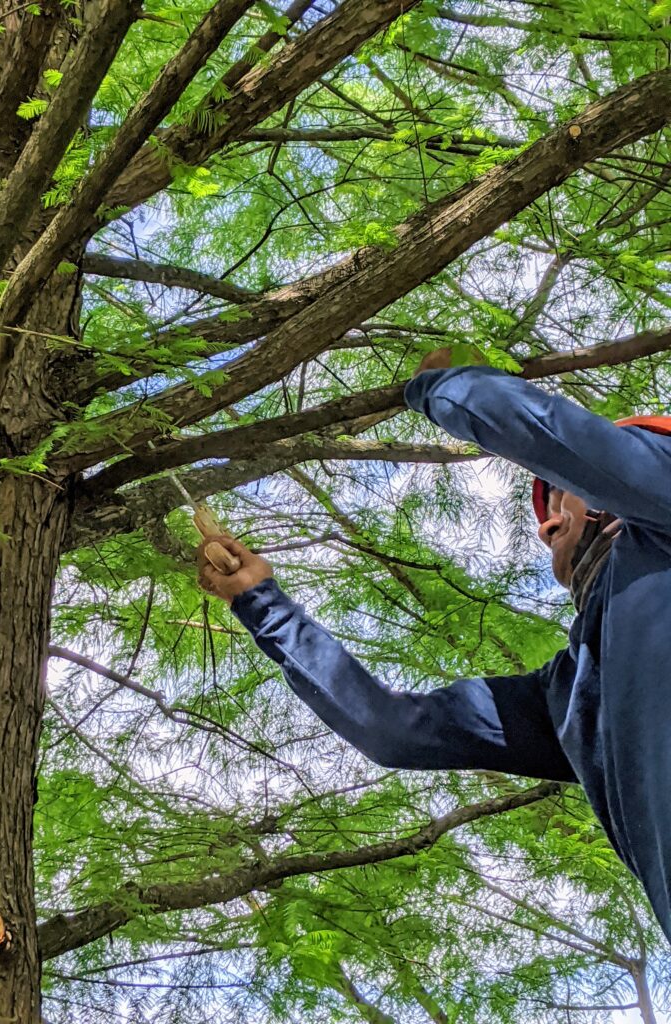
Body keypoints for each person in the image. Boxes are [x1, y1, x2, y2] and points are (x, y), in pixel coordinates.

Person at [197, 351, 671, 943]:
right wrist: (261, 603)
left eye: (559, 501)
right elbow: (396, 729)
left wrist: (449, 382)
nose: (547, 526)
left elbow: (554, 436)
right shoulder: (574, 691)